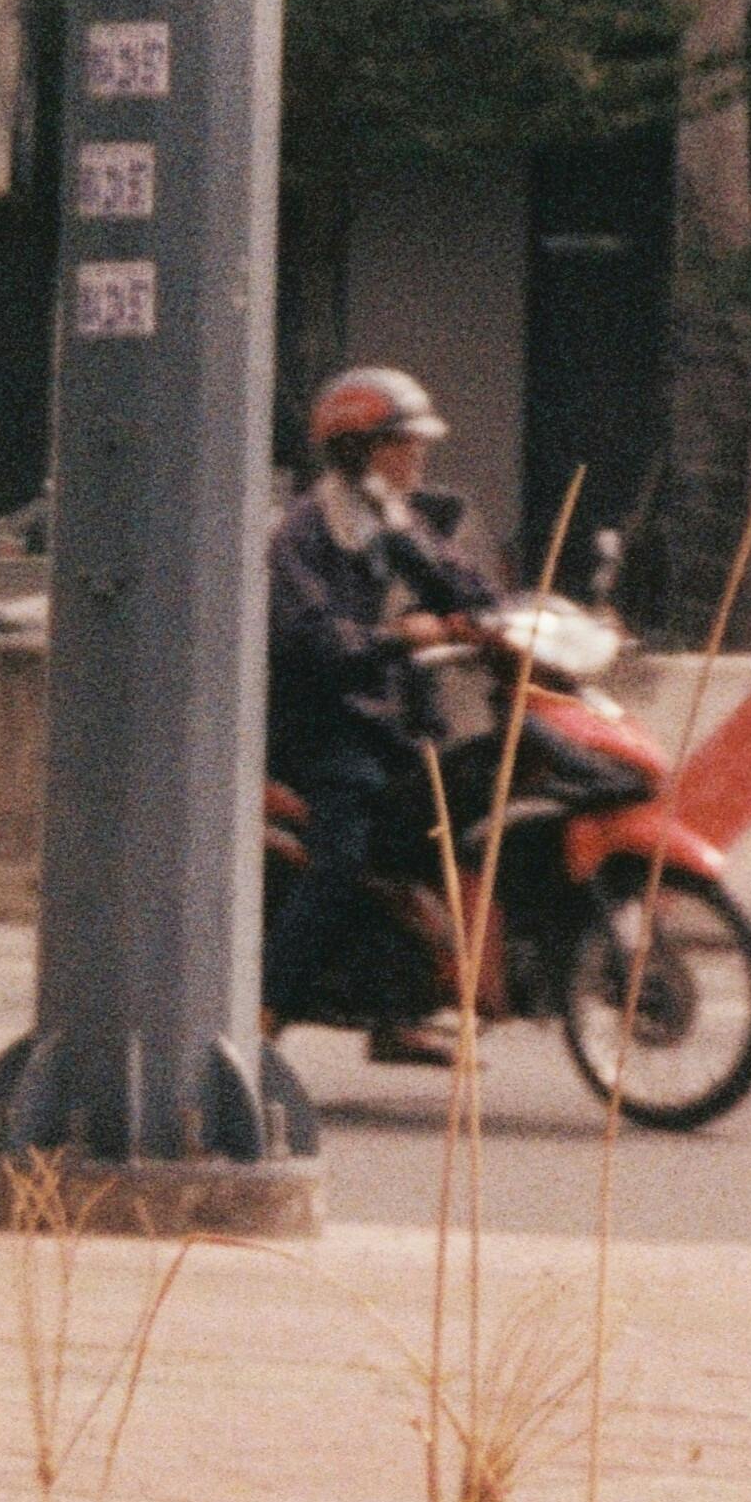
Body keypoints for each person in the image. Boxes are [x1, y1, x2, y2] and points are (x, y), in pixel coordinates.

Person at [261, 364, 501, 1057]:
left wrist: (502, 619)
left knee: (439, 829)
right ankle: (266, 1011)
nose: (417, 456)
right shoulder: (302, 535)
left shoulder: (391, 519)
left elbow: (457, 577)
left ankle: (396, 1011)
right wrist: (399, 637)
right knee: (343, 855)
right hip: (316, 727)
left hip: (374, 720)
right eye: (402, 443)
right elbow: (314, 640)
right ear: (356, 451)